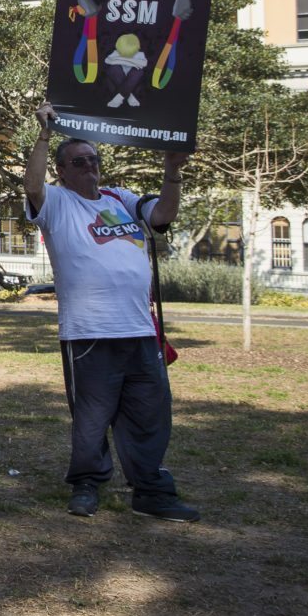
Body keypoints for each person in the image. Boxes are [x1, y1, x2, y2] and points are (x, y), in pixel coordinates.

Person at [26, 100, 199, 522]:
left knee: (148, 415)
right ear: (62, 170)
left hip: (140, 331)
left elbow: (162, 214)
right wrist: (45, 134)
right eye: (79, 161)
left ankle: (151, 491)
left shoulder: (122, 198)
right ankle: (87, 484)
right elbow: (31, 186)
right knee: (90, 419)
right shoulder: (56, 204)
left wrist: (172, 170)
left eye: (93, 159)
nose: (89, 166)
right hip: (88, 333)